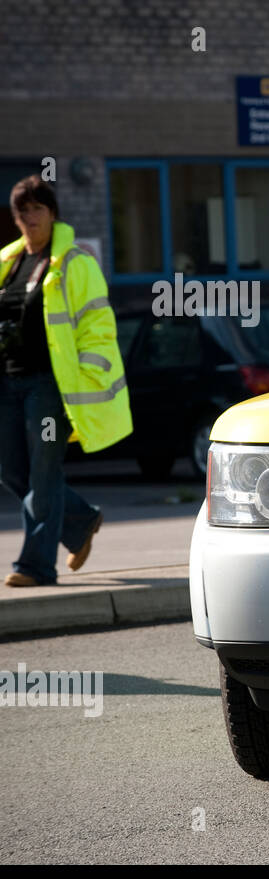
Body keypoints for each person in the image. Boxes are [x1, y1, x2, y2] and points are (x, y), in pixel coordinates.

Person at [0, 176, 132, 587]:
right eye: (22, 211)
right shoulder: (8, 263)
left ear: (52, 213)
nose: (29, 218)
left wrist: (90, 372)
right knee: (11, 470)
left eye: (37, 209)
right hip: (10, 382)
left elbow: (97, 323)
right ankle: (81, 521)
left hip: (50, 387)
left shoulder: (74, 263)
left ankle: (36, 566)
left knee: (43, 471)